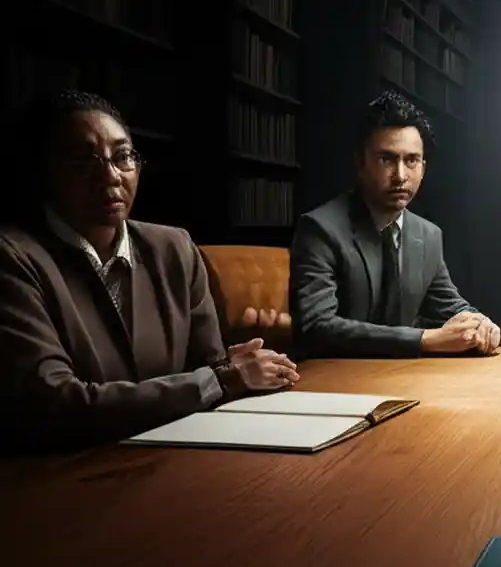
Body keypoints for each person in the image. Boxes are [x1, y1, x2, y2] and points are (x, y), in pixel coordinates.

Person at [0, 90, 297, 449]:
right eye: (83, 161)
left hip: (174, 455)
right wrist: (219, 380)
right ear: (45, 170)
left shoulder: (174, 247)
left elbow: (211, 368)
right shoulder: (15, 257)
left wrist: (250, 360)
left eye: (123, 156)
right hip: (62, 474)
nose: (110, 176)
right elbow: (58, 404)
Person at [291, 91, 501, 358]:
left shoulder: (428, 234)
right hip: (335, 381)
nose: (400, 176)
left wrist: (481, 323)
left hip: (403, 377)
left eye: (411, 160)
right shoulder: (320, 229)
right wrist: (425, 339)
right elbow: (316, 327)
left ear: (423, 167)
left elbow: (448, 305)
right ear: (360, 163)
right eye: (386, 159)